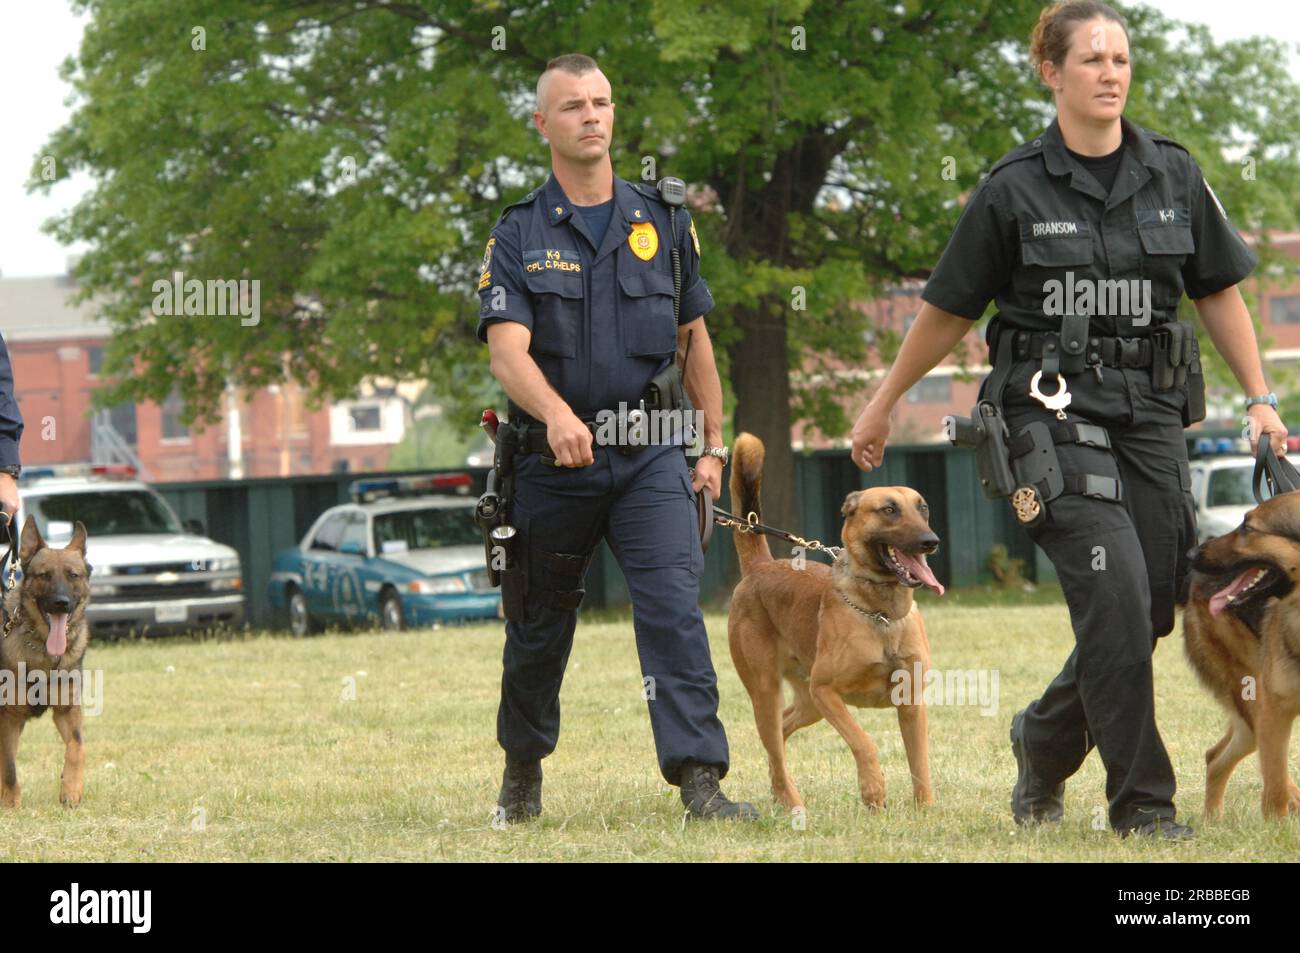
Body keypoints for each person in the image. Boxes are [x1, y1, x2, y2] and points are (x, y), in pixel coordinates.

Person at [849, 0, 1287, 840]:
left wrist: (1261, 396)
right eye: (1092, 59)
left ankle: (1042, 739)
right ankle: (1143, 805)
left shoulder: (1174, 172)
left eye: (1121, 58)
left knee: (1159, 598)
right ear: (1051, 72)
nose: (1111, 73)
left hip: (1151, 413)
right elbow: (947, 308)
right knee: (1115, 594)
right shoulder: (1013, 187)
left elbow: (1218, 291)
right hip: (1047, 419)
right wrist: (881, 399)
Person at [476, 53, 757, 822]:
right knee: (538, 625)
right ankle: (523, 771)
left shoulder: (663, 219)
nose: (591, 116)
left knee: (672, 608)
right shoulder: (518, 232)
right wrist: (558, 414)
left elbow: (694, 340)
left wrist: (710, 443)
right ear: (543, 124)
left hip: (650, 457)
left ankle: (701, 778)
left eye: (601, 101)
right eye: (572, 106)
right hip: (553, 460)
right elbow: (507, 349)